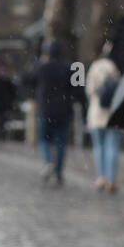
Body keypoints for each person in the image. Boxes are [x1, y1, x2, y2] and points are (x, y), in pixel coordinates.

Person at [26, 39, 83, 184]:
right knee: (61, 141)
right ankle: (58, 171)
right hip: (64, 110)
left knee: (44, 139)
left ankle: (48, 161)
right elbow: (78, 88)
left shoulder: (42, 67)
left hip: (46, 109)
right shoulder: (70, 67)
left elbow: (28, 80)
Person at [85, 43, 122, 192]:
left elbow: (89, 90)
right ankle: (111, 179)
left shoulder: (95, 67)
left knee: (99, 147)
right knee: (112, 147)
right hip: (112, 114)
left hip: (96, 113)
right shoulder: (115, 68)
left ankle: (100, 177)